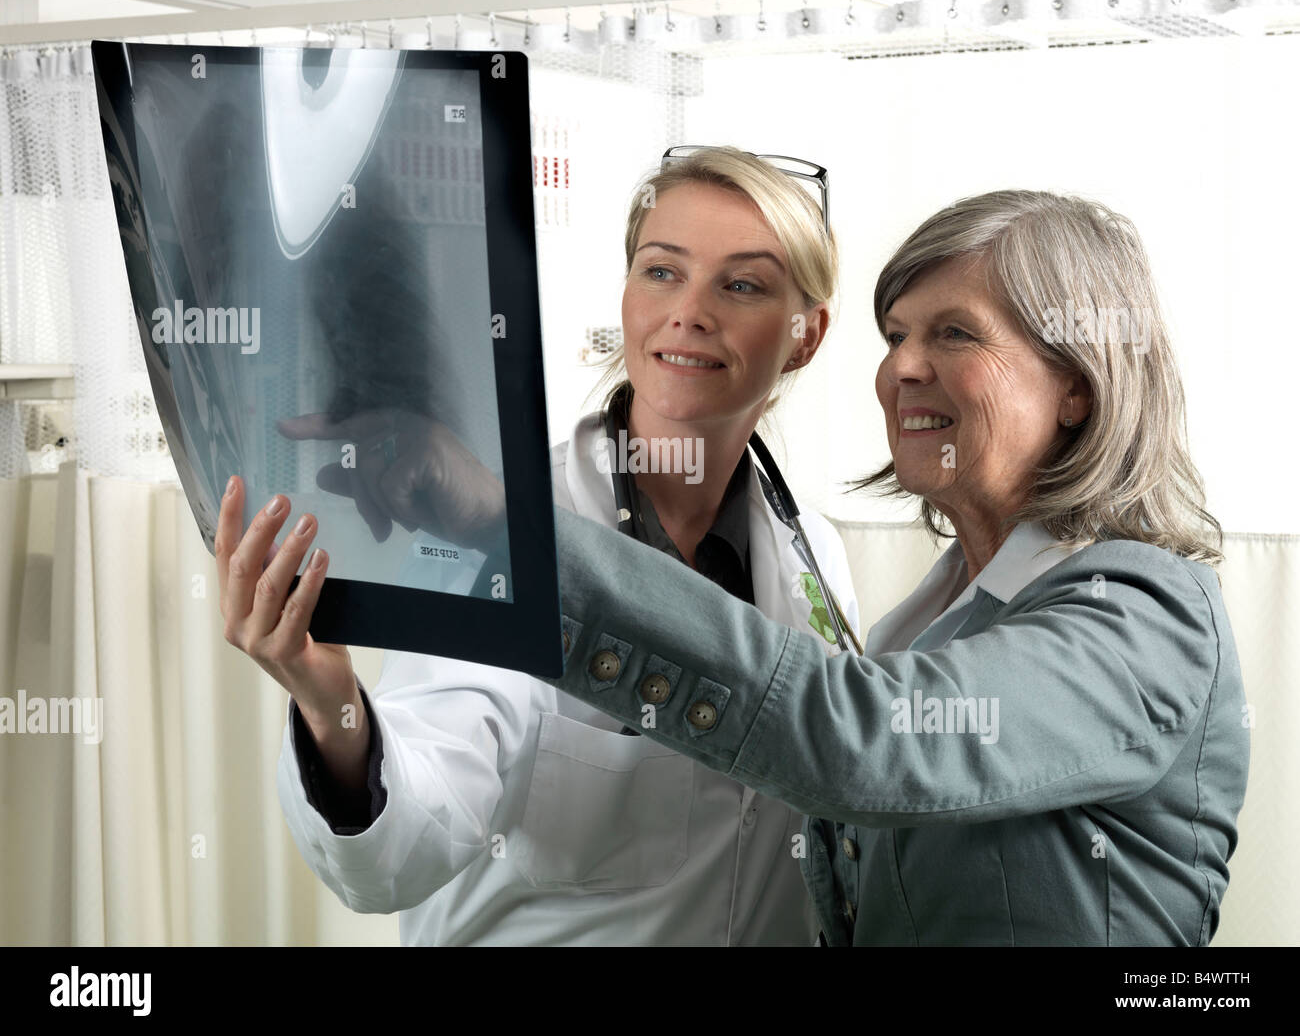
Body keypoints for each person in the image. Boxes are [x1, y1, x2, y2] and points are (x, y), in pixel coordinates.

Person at [529, 189, 1251, 945]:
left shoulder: (1149, 613)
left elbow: (863, 739)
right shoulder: (927, 619)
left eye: (955, 334)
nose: (901, 366)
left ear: (1075, 384)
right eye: (896, 334)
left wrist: (515, 551)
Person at [217, 146, 860, 945]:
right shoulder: (497, 532)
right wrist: (330, 703)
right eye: (662, 271)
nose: (690, 311)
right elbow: (405, 845)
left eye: (742, 284)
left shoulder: (814, 559)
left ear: (806, 335)